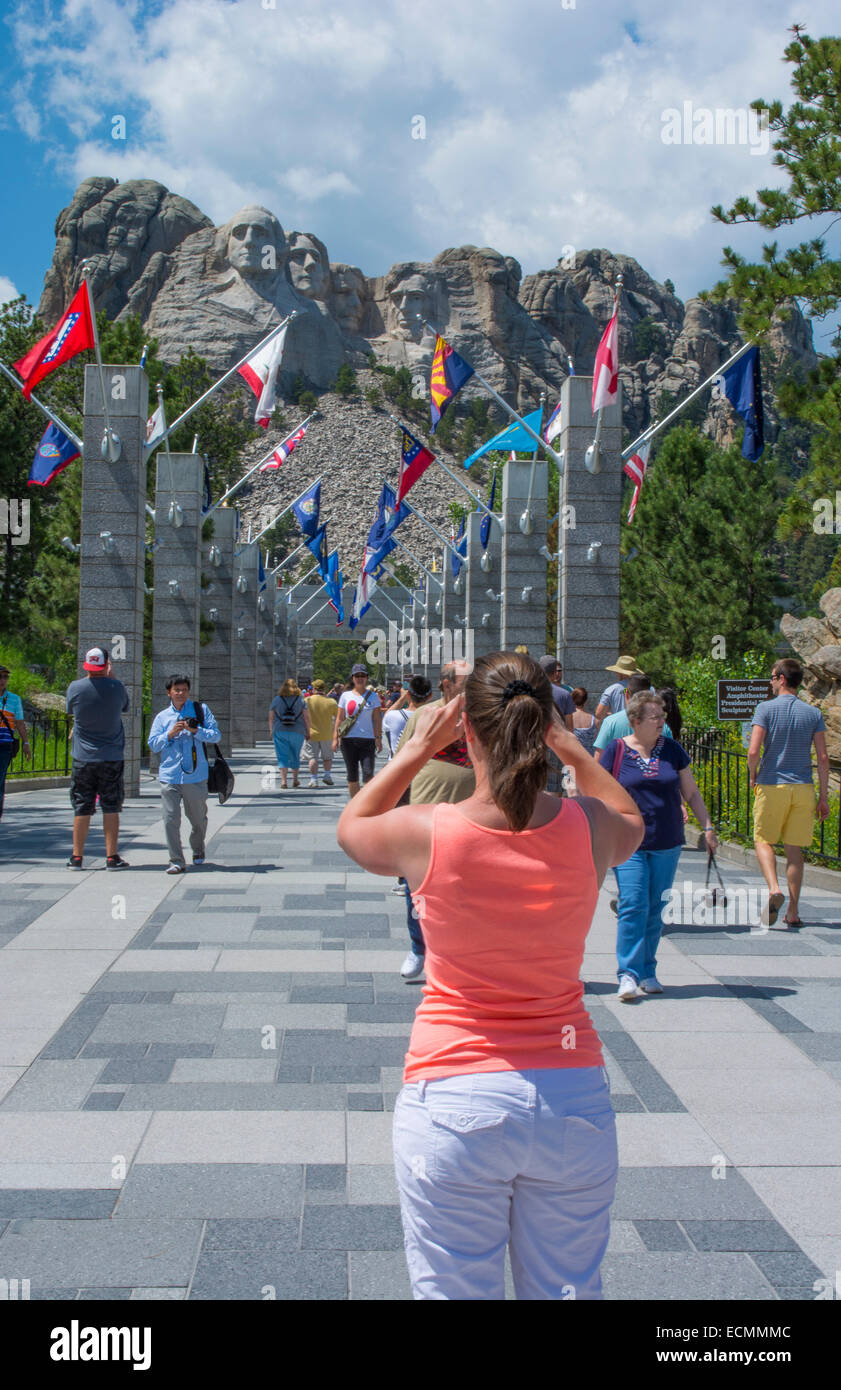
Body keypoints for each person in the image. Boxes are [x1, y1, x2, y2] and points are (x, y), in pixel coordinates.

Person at [336, 651, 644, 1300]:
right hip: (570, 1099)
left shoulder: (429, 832)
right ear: (544, 726)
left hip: (452, 1093)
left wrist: (416, 750)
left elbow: (352, 826)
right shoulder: (586, 827)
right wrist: (569, 746)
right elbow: (630, 817)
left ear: (465, 732)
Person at [602, 691, 717, 1000]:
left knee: (656, 906)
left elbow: (691, 793)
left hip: (666, 839)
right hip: (628, 840)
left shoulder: (672, 750)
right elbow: (600, 792)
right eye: (655, 717)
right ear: (635, 721)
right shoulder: (616, 751)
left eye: (663, 717)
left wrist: (707, 826)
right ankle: (627, 973)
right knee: (633, 903)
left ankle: (647, 970)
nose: (661, 723)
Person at [394, 661, 475, 981]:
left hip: (470, 818)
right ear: (445, 684)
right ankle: (419, 948)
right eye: (464, 682)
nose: (470, 687)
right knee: (419, 890)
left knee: (465, 891)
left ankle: (456, 954)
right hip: (424, 818)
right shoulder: (423, 716)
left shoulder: (481, 718)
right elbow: (401, 764)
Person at [748, 658, 830, 928]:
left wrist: (753, 774)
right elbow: (823, 756)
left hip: (772, 784)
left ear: (782, 679)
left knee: (763, 840)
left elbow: (753, 750)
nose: (771, 682)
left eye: (772, 677)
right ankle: (792, 912)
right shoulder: (813, 714)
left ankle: (774, 889)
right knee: (794, 851)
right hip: (803, 787)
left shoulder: (765, 709)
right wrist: (823, 797)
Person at [147, 674, 221, 874]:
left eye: (184, 690)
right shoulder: (162, 717)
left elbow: (216, 735)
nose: (181, 694)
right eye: (177, 690)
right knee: (170, 819)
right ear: (169, 692)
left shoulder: (200, 711)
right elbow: (153, 745)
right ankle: (176, 860)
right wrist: (170, 734)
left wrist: (196, 730)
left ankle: (198, 848)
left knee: (198, 818)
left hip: (195, 776)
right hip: (170, 775)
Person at [65, 647, 131, 870]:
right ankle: (112, 857)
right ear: (107, 664)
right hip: (111, 756)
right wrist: (111, 678)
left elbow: (70, 710)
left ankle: (76, 857)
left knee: (82, 806)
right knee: (111, 806)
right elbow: (124, 707)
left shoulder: (75, 688)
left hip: (83, 757)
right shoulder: (117, 687)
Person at [593, 673, 673, 762]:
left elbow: (598, 760)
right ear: (651, 695)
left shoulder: (610, 722)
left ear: (626, 694)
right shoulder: (662, 726)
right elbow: (672, 760)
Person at [332, 664, 382, 798]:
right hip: (349, 740)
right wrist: (335, 738)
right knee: (352, 774)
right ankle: (354, 805)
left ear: (366, 678)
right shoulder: (345, 696)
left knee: (368, 774)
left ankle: (366, 803)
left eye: (363, 676)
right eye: (357, 676)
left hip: (368, 740)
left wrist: (378, 738)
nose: (360, 678)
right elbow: (340, 718)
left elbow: (377, 719)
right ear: (352, 678)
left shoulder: (373, 696)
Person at [0, 663, 31, 819]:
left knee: (0, 777)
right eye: (0, 676)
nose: (3, 680)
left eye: (5, 677)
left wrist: (26, 743)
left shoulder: (14, 699)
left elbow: (19, 722)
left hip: (4, 745)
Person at [269, 679, 310, 789]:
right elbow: (306, 717)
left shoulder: (277, 699)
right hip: (297, 731)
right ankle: (295, 780)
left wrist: (271, 730)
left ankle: (283, 781)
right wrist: (308, 731)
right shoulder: (300, 700)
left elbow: (271, 716)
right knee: (295, 755)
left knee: (282, 756)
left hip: (280, 730)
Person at [303, 679, 338, 787]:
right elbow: (338, 718)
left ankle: (314, 779)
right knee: (327, 757)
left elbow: (302, 717)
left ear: (314, 689)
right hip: (327, 734)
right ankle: (327, 775)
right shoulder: (331, 702)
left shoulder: (307, 700)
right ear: (324, 689)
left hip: (311, 733)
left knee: (312, 757)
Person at [594, 655, 645, 726]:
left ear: (619, 673)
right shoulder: (648, 688)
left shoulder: (611, 690)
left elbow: (599, 714)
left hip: (619, 728)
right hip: (641, 728)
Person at [571, 687, 598, 755]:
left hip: (573, 756)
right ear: (585, 701)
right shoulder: (594, 719)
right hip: (589, 757)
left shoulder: (567, 718)